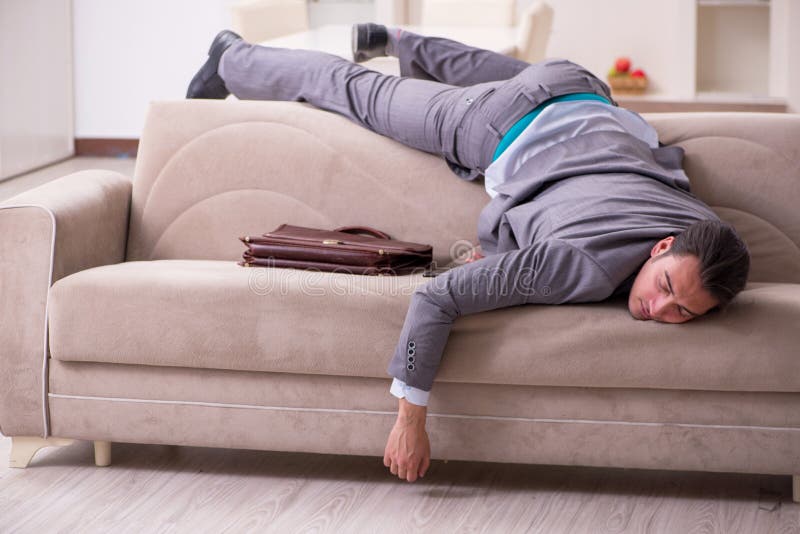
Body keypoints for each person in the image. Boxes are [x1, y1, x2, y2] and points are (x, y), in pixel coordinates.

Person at [187, 24, 750, 484]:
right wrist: (411, 419)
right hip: (502, 120)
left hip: (586, 91)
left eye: (685, 313)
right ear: (663, 246)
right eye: (666, 287)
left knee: (512, 76)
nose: (661, 310)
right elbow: (438, 296)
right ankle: (231, 56)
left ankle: (398, 40)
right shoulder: (578, 266)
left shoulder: (708, 232)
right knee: (358, 92)